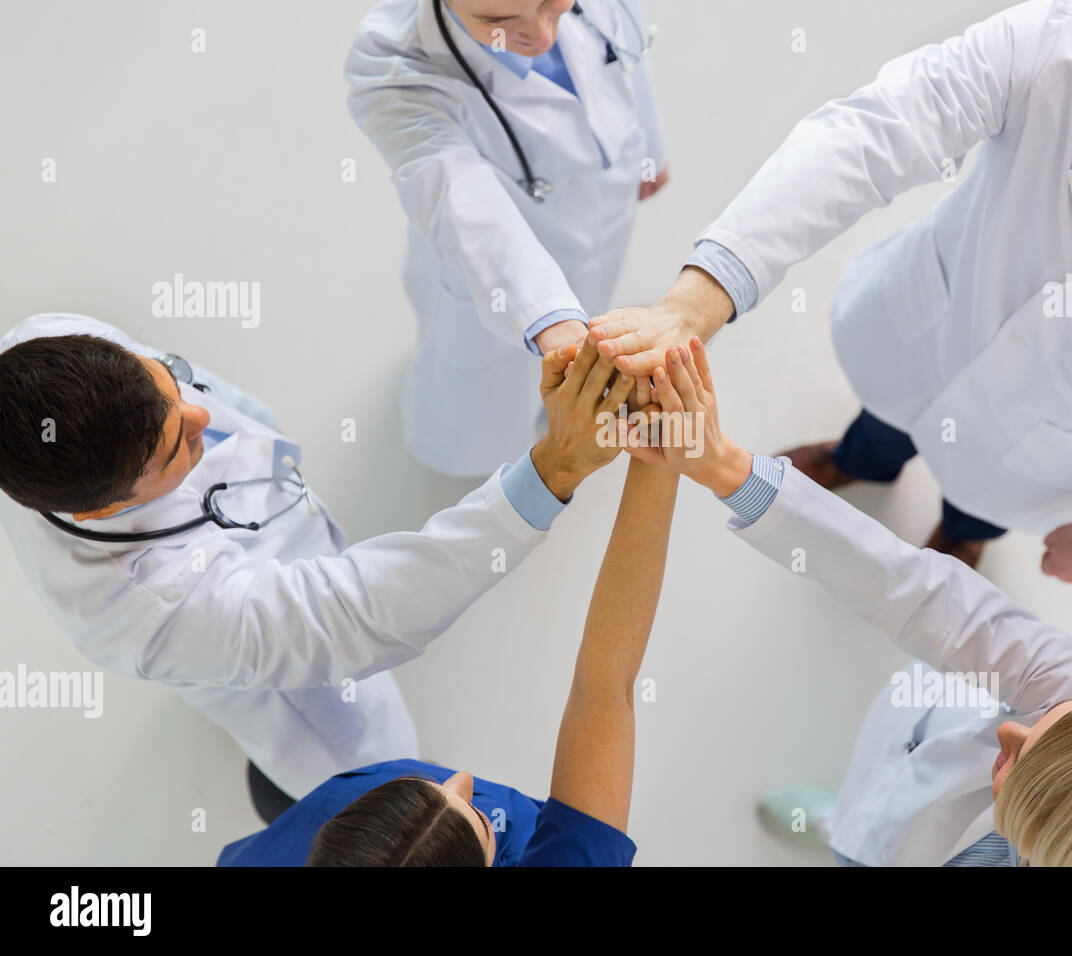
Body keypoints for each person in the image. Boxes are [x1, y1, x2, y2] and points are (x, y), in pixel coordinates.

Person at [588, 0, 1072, 581]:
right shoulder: (1068, 44)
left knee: (977, 507)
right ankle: (857, 459)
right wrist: (698, 299)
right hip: (924, 336)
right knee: (881, 425)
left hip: (1034, 458)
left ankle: (962, 537)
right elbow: (870, 137)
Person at [626, 339, 1072, 865]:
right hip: (903, 775)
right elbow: (915, 590)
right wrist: (725, 467)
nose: (1006, 726)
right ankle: (846, 822)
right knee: (871, 815)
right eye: (1036, 725)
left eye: (1018, 761)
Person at [0, 312, 633, 821]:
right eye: (177, 445)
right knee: (369, 774)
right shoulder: (157, 614)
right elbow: (359, 611)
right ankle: (299, 802)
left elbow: (206, 408)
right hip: (306, 702)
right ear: (106, 508)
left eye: (171, 379)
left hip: (272, 561)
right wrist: (555, 470)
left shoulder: (40, 348)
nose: (203, 413)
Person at [217, 456, 679, 866]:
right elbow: (603, 690)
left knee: (278, 788)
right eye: (476, 814)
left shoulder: (321, 815)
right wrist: (660, 458)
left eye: (430, 788)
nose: (462, 779)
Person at [345, 0, 669, 477]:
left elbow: (627, 50)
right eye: (496, 21)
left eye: (551, 2)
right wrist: (553, 322)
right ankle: (474, 451)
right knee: (477, 412)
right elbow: (459, 195)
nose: (541, 37)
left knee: (583, 306)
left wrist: (646, 148)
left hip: (601, 211)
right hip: (492, 269)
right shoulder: (394, 60)